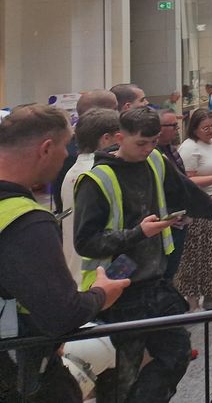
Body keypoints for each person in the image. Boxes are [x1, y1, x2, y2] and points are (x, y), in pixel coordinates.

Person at [74, 106, 212, 402]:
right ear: (120, 137)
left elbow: (187, 192)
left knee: (176, 353)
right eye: (141, 144)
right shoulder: (96, 180)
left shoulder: (157, 161)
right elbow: (85, 242)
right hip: (118, 290)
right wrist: (138, 233)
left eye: (153, 142)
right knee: (123, 373)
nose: (148, 150)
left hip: (155, 282)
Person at [0, 104, 130, 403]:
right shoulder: (26, 222)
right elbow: (63, 315)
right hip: (20, 376)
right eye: (65, 146)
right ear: (46, 148)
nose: (66, 155)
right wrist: (101, 293)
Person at [176, 108, 212, 309]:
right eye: (205, 128)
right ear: (195, 128)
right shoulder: (190, 148)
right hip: (205, 203)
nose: (210, 131)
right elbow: (188, 180)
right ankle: (192, 299)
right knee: (199, 253)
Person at [60, 108, 121, 282]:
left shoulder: (73, 171)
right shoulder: (100, 173)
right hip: (97, 275)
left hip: (76, 271)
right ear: (106, 139)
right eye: (120, 136)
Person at [154, 110, 189, 283]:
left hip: (179, 221)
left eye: (177, 125)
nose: (177, 129)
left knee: (172, 270)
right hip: (164, 225)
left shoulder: (172, 150)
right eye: (172, 126)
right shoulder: (153, 155)